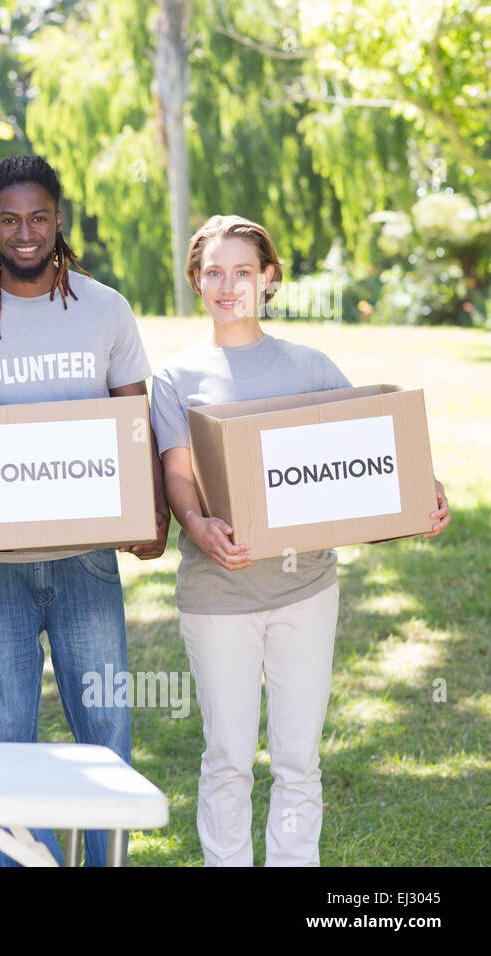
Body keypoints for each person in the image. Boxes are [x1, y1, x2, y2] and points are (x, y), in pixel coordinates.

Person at [150, 214, 451, 866]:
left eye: (242, 272)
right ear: (196, 280)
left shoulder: (310, 368)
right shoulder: (177, 378)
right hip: (217, 595)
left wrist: (423, 490)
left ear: (269, 279)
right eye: (213, 272)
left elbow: (371, 452)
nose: (227, 286)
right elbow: (179, 475)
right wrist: (198, 526)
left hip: (306, 590)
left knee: (297, 761)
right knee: (228, 757)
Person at [0, 154, 168, 867]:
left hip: (88, 559)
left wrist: (153, 514)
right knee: (5, 741)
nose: (24, 232)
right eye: (8, 219)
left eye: (37, 217)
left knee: (106, 733)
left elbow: (134, 422)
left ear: (58, 220)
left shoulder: (105, 308)